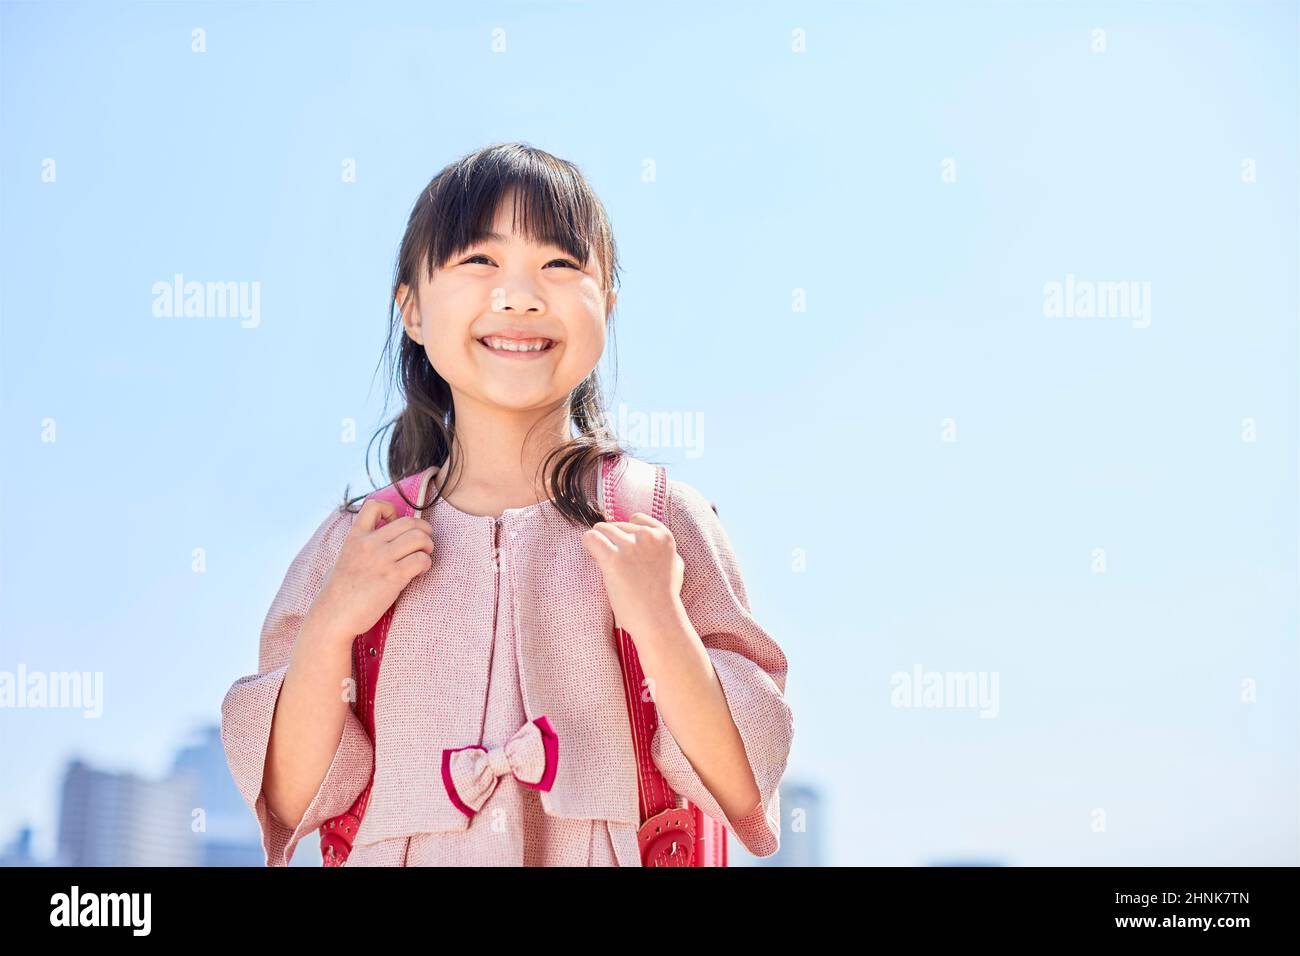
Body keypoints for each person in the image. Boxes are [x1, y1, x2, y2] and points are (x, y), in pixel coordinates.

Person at [220, 142, 794, 866]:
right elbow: (290, 796)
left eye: (560, 264)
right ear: (413, 309)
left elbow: (742, 785)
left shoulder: (660, 519)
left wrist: (659, 618)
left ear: (607, 306)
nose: (519, 296)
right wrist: (332, 622)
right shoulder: (357, 541)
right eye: (479, 261)